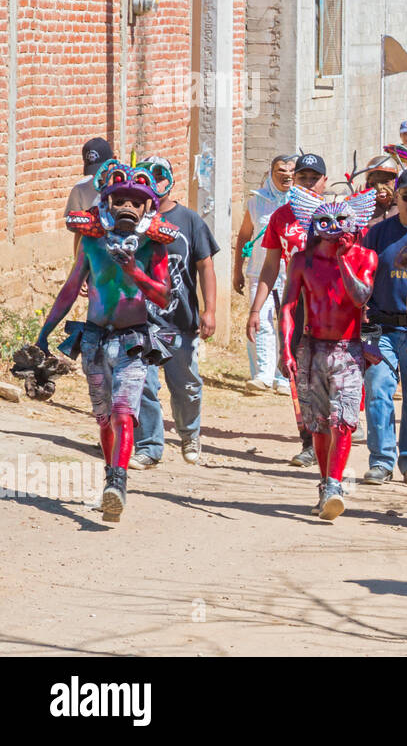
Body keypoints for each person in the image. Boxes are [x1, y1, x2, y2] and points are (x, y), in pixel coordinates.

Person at [37, 159, 175, 522]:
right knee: (103, 418)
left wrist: (135, 271)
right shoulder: (92, 243)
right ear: (107, 202)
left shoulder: (153, 248)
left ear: (148, 206)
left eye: (136, 201)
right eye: (119, 200)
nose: (127, 207)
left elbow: (163, 297)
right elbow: (70, 290)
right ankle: (110, 479)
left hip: (133, 341)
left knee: (123, 412)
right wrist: (44, 332)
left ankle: (117, 483)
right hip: (95, 340)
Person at [279, 188, 378, 520]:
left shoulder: (365, 257)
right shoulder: (301, 261)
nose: (333, 226)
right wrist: (286, 349)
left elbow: (361, 296)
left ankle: (335, 484)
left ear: (353, 222)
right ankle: (325, 485)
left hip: (348, 349)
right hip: (312, 348)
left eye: (340, 220)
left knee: (344, 421)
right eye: (325, 220)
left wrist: (342, 259)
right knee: (320, 425)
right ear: (312, 222)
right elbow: (288, 307)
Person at [130, 158, 219, 469]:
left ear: (170, 180)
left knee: (187, 387)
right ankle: (150, 445)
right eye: (145, 176)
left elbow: (205, 266)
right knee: (142, 382)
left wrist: (210, 310)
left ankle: (189, 433)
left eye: (159, 175)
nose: (153, 182)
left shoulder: (189, 220)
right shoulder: (132, 218)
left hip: (180, 322)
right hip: (142, 321)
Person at [246, 153, 330, 468]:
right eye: (302, 177)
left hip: (333, 309)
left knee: (332, 373)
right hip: (294, 307)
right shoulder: (283, 216)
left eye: (314, 177)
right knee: (299, 375)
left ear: (325, 181)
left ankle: (336, 431)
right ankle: (309, 442)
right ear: (294, 181)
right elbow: (270, 266)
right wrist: (257, 309)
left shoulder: (339, 215)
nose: (307, 183)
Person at [359, 169, 407, 486]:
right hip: (381, 328)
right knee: (378, 392)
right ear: (396, 197)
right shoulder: (377, 234)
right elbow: (358, 276)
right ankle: (381, 461)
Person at [234, 154, 295, 392]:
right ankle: (263, 374)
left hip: (290, 274)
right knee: (262, 320)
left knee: (286, 323)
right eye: (281, 170)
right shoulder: (256, 202)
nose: (287, 175)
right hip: (260, 272)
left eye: (291, 170)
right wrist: (237, 270)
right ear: (271, 171)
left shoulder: (301, 203)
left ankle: (283, 377)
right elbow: (243, 236)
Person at [66, 137, 114, 259]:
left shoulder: (126, 188)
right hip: (93, 257)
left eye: (101, 170)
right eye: (93, 171)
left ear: (114, 161)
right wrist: (77, 262)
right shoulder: (80, 190)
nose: (97, 175)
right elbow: (78, 232)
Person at [363, 155, 401, 224]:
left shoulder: (405, 204)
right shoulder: (364, 211)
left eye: (385, 182)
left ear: (395, 182)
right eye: (373, 184)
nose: (379, 188)